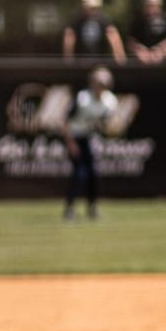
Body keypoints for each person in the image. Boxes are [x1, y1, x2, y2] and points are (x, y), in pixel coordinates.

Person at [63, 66, 117, 222]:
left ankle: (92, 208)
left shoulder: (110, 101)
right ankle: (70, 209)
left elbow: (105, 123)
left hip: (86, 137)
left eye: (103, 85)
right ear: (92, 84)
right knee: (79, 173)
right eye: (98, 84)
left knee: (93, 173)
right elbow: (65, 122)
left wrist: (108, 126)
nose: (100, 88)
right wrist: (71, 144)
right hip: (72, 136)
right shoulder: (82, 99)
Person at [61, 0, 124, 64]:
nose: (91, 10)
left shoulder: (103, 21)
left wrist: (119, 57)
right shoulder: (76, 21)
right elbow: (69, 37)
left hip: (100, 64)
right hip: (80, 64)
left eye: (93, 8)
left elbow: (113, 37)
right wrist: (68, 59)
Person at [129, 0, 166, 65]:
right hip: (141, 69)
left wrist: (161, 52)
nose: (151, 10)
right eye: (148, 6)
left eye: (154, 6)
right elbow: (131, 41)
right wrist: (139, 51)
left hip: (165, 68)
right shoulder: (137, 21)